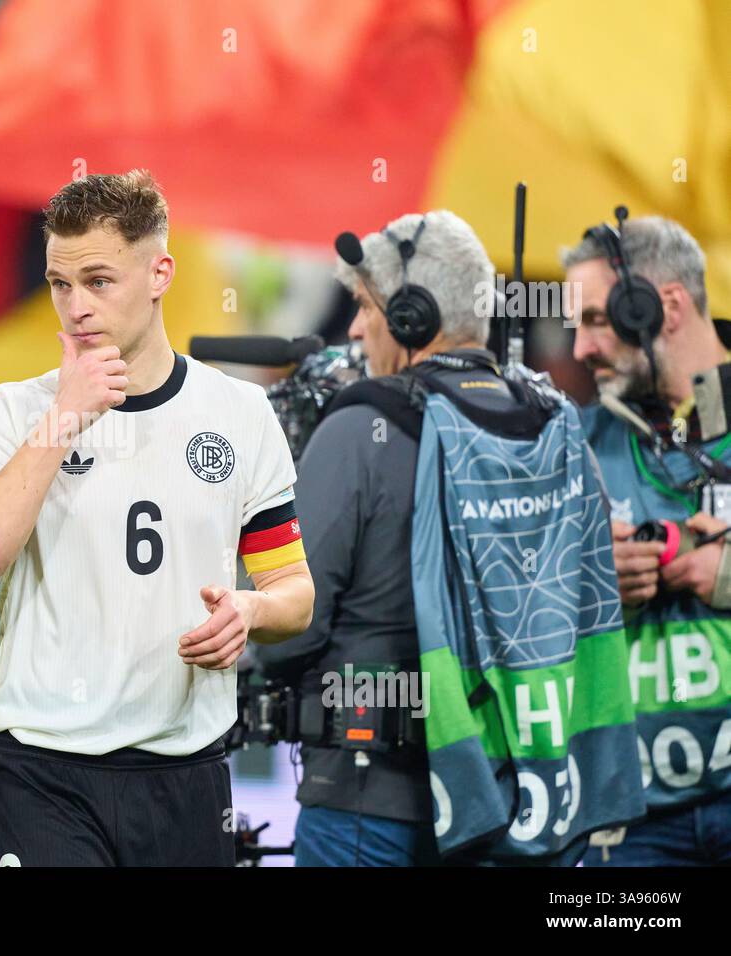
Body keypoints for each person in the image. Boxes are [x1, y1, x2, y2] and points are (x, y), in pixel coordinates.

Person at [0, 170, 315, 867]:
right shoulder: (16, 410)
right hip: (43, 771)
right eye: (59, 284)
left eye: (99, 281)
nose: (75, 306)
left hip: (187, 771)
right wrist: (66, 419)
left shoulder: (239, 415)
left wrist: (250, 610)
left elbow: (294, 590)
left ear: (159, 273)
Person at [285, 210, 642, 866]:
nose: (357, 328)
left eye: (366, 307)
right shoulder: (562, 430)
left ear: (412, 314)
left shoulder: (356, 429)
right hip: (528, 808)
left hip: (371, 810)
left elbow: (292, 628)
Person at [564, 212, 731, 865]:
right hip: (632, 820)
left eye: (597, 321)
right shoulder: (573, 442)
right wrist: (592, 583)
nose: (579, 349)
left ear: (665, 306)